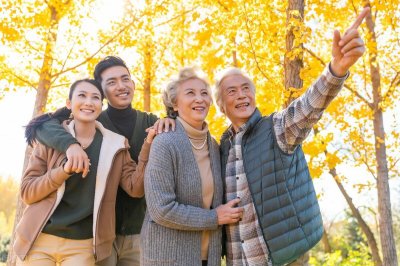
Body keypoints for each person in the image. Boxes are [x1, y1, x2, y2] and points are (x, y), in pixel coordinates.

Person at [214, 7, 370, 266]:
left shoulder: (276, 127)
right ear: (221, 105)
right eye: (232, 91)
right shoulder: (221, 148)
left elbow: (309, 107)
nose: (241, 95)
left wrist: (336, 70)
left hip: (282, 259)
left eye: (246, 89)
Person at [31, 56, 174, 266]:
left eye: (125, 79)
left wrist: (172, 117)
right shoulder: (92, 120)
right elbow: (44, 126)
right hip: (97, 233)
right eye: (111, 82)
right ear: (102, 92)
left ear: (133, 84)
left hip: (140, 231)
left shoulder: (152, 122)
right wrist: (71, 146)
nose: (121, 86)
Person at [14, 79, 156, 265]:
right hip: (39, 238)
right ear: (69, 104)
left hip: (83, 245)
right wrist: (63, 171)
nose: (89, 102)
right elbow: (27, 193)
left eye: (95, 98)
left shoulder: (117, 146)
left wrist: (148, 145)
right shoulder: (49, 141)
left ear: (101, 106)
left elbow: (135, 189)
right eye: (82, 95)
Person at [141, 67, 243, 266]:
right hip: (168, 258)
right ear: (174, 104)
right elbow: (161, 209)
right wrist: (214, 217)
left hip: (208, 257)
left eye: (204, 93)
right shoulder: (164, 142)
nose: (200, 99)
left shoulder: (214, 146)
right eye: (190, 93)